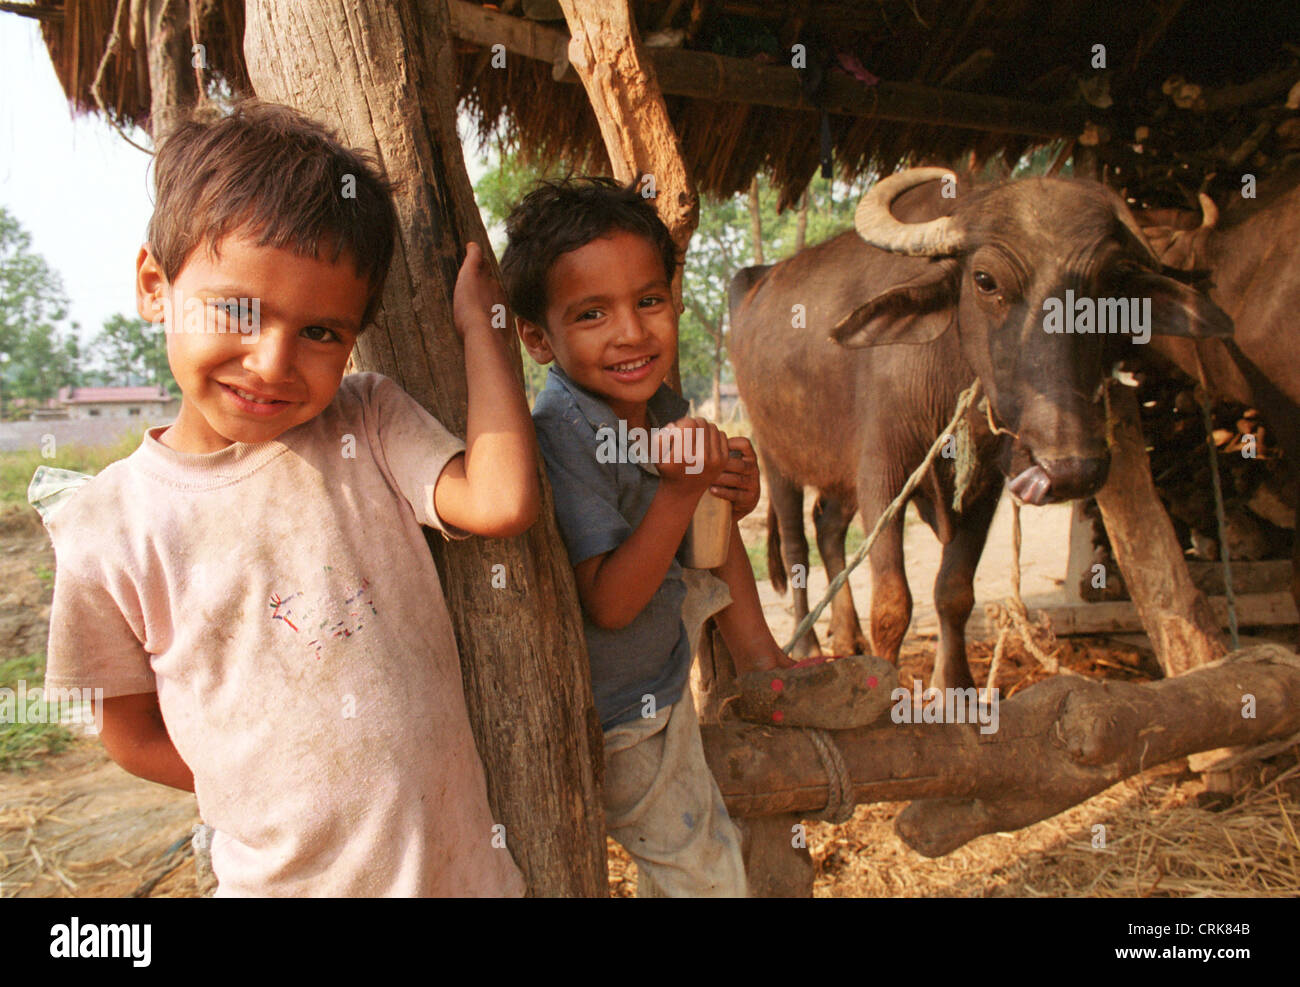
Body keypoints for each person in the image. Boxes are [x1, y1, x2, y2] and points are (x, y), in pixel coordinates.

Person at [37, 99, 534, 897]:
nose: (271, 362)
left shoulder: (366, 419)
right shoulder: (107, 529)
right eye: (237, 310)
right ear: (154, 286)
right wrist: (258, 792)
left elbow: (502, 501)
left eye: (322, 332)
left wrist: (484, 331)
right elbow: (127, 734)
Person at [504, 177, 894, 897]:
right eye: (592, 314)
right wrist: (684, 494)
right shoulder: (565, 434)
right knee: (705, 868)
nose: (631, 331)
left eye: (648, 301)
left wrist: (726, 497)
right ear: (536, 338)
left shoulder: (657, 404)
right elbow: (612, 604)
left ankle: (762, 663)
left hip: (659, 665)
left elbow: (692, 538)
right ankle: (759, 668)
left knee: (710, 486)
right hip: (620, 713)